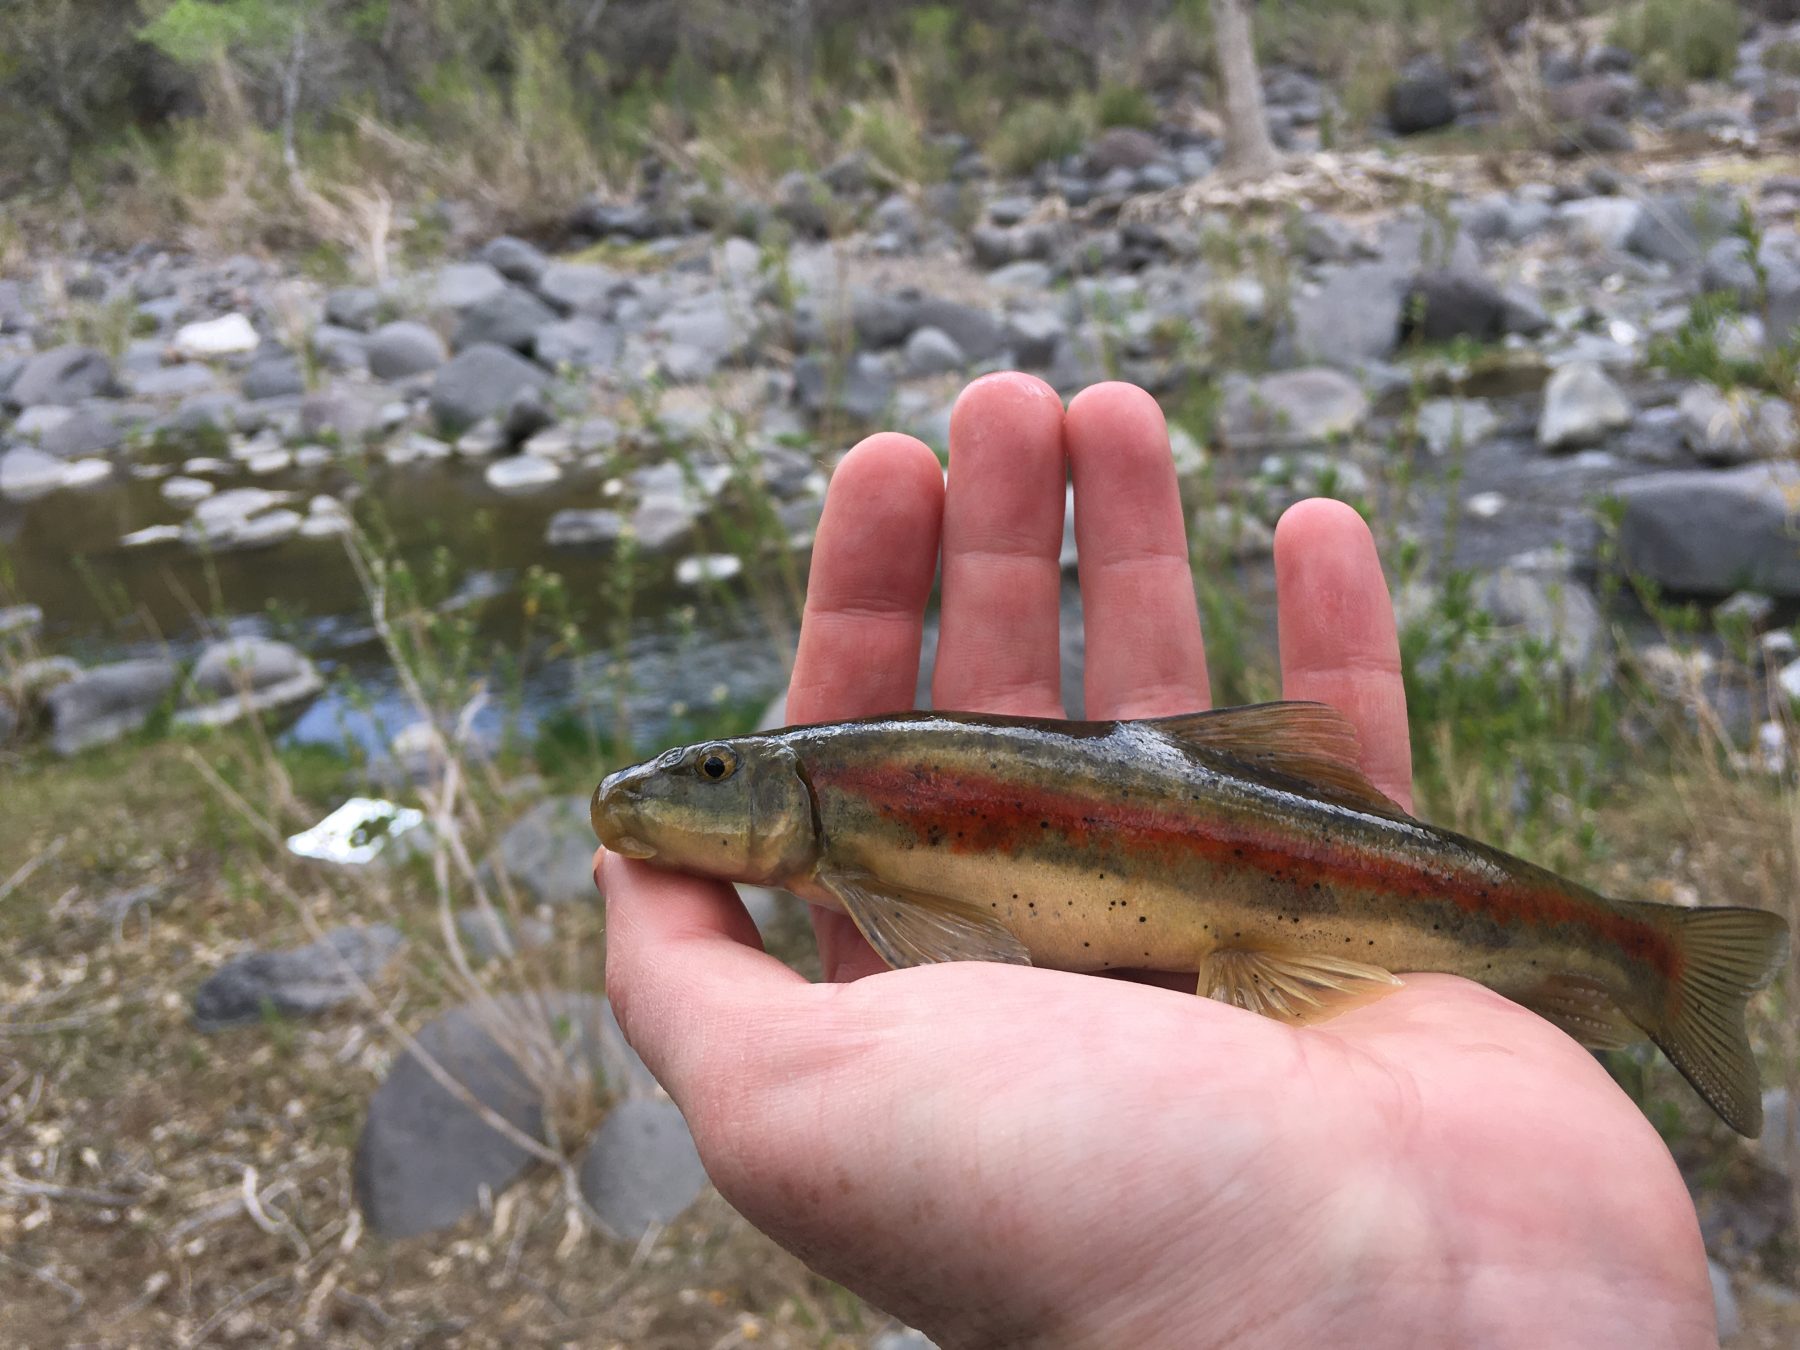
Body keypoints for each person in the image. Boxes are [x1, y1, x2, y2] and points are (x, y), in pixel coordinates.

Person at [593, 374, 1715, 1348]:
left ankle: (1642, 951)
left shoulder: (849, 810)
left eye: (705, 773)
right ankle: (1632, 946)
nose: (659, 793)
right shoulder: (844, 817)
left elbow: (951, 943)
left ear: (768, 789)